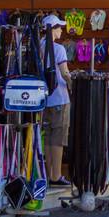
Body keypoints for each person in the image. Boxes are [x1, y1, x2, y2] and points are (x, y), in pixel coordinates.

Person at [40, 13, 73, 186]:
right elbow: (64, 72)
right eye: (58, 27)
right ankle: (56, 175)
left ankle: (47, 173)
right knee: (58, 138)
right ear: (52, 30)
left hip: (44, 99)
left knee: (47, 136)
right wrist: (73, 84)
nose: (61, 30)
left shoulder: (39, 46)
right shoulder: (58, 49)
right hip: (59, 97)